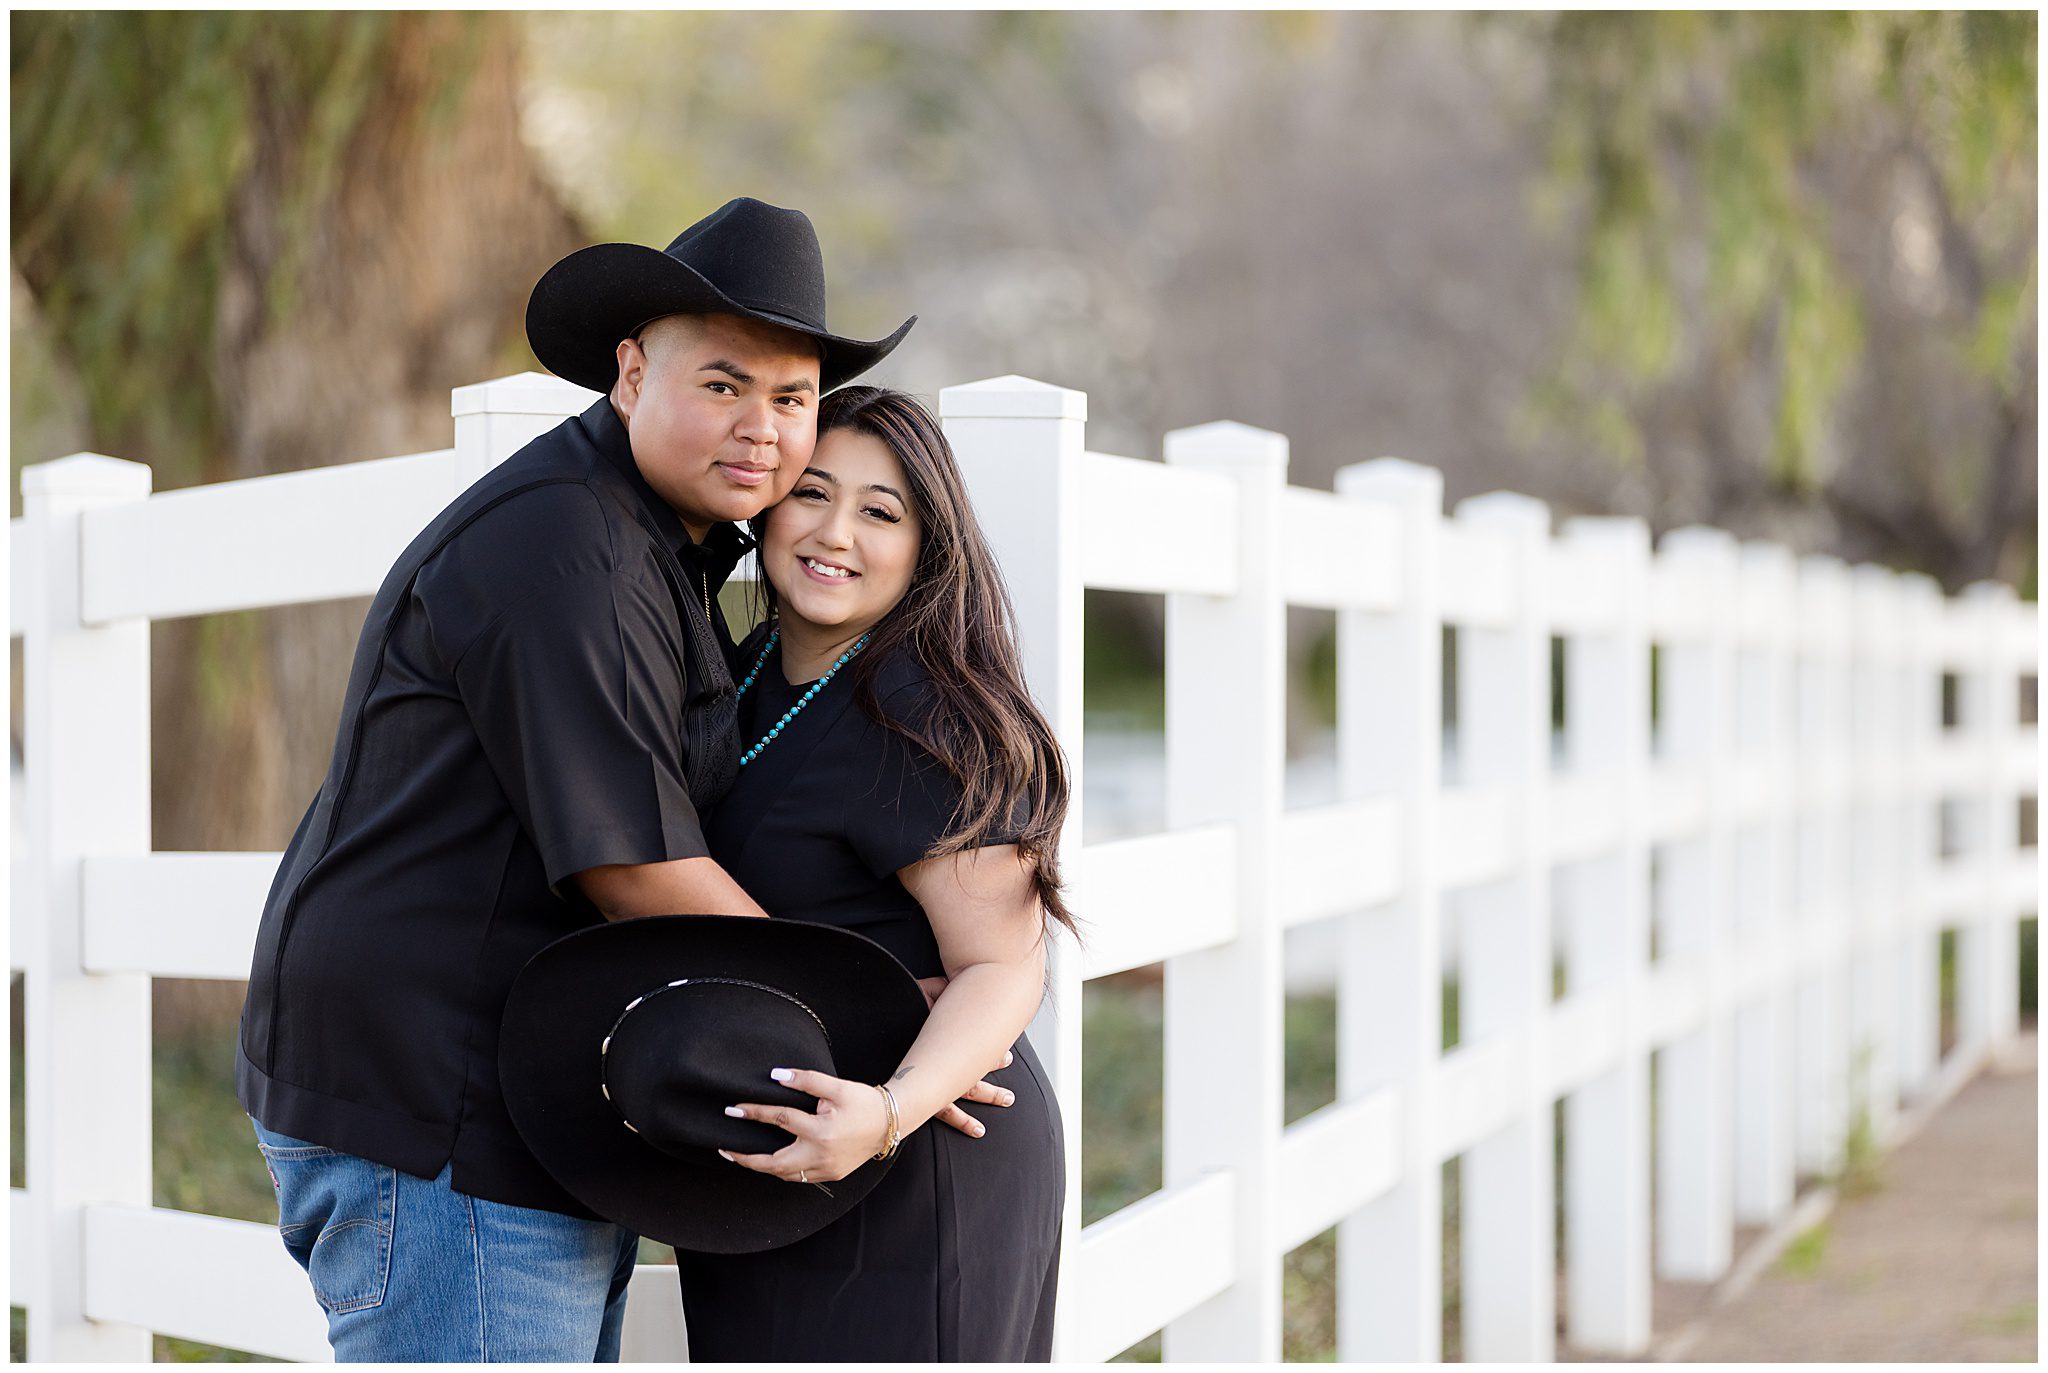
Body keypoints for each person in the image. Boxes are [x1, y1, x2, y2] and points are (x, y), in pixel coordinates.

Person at [232, 198, 999, 1361]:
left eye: (791, 398)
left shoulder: (658, 540)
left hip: (514, 1104)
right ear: (632, 374)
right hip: (435, 1108)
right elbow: (636, 864)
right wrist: (868, 1034)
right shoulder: (569, 548)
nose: (762, 429)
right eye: (723, 384)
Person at [669, 385, 1074, 1361]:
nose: (835, 533)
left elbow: (1003, 963)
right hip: (770, 1164)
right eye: (812, 493)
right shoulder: (743, 671)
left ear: (926, 546)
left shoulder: (925, 711)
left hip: (917, 1164)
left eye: (880, 511)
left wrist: (890, 1110)